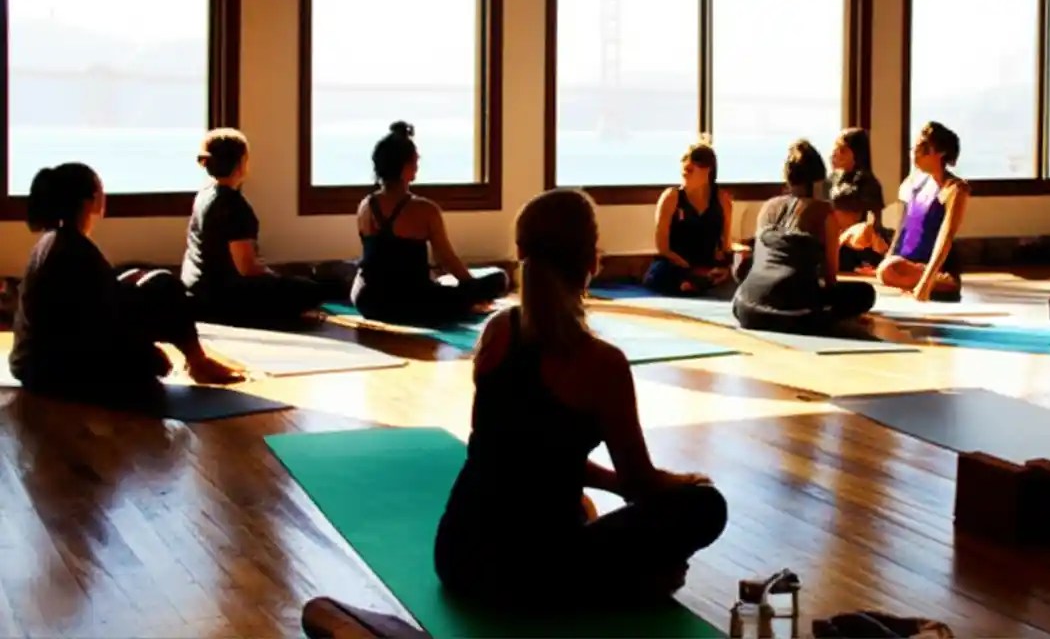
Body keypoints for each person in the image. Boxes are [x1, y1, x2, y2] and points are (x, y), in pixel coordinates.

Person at [434, 188, 728, 608]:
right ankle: (628, 582)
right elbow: (640, 482)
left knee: (578, 508)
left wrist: (613, 485)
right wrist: (683, 482)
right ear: (592, 260)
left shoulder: (499, 331)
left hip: (457, 557)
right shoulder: (602, 364)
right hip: (539, 571)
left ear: (521, 253)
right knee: (706, 506)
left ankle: (615, 572)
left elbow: (516, 450)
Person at [9, 163, 243, 396]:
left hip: (33, 365)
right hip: (57, 369)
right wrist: (144, 352)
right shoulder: (72, 247)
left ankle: (195, 361)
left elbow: (89, 301)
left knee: (143, 281)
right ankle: (198, 363)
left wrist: (123, 283)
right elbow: (99, 319)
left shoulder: (55, 242)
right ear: (92, 200)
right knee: (165, 286)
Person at [350, 121, 508, 325]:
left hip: (366, 300)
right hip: (413, 303)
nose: (418, 165)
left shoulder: (365, 205)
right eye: (415, 161)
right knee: (499, 279)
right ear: (405, 167)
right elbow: (446, 259)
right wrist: (472, 289)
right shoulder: (425, 210)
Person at [181, 128, 324, 328]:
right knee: (310, 290)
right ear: (241, 163)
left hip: (194, 291)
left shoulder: (203, 195)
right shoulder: (233, 205)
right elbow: (247, 268)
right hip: (220, 298)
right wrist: (274, 277)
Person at [732, 140, 877, 334]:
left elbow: (757, 260)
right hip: (796, 313)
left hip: (745, 308)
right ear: (819, 181)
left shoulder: (768, 207)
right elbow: (830, 277)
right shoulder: (824, 212)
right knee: (865, 293)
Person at [877, 122, 967, 302]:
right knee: (886, 269)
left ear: (940, 153)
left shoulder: (954, 189)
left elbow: (946, 237)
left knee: (888, 270)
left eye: (923, 148)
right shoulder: (915, 183)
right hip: (909, 263)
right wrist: (888, 258)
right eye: (915, 148)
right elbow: (903, 227)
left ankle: (940, 282)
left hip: (937, 268)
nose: (915, 153)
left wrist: (926, 282)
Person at [643, 138, 733, 295]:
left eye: (695, 164)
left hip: (707, 265)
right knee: (661, 272)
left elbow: (725, 245)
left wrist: (726, 266)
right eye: (685, 164)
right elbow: (663, 248)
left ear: (708, 170)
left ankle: (699, 282)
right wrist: (688, 267)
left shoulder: (722, 200)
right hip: (676, 264)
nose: (688, 167)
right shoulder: (671, 197)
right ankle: (690, 283)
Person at [828, 127, 890, 272]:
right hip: (834, 239)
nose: (835, 154)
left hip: (855, 247)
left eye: (842, 150)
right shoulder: (833, 179)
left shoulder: (867, 182)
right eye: (835, 149)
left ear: (857, 153)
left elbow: (875, 224)